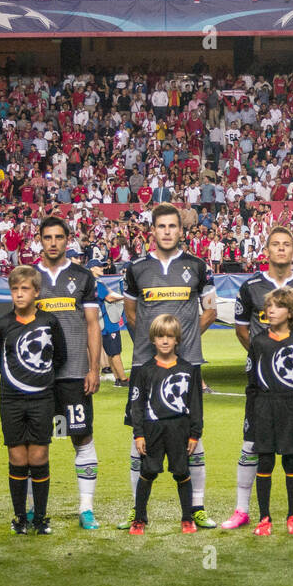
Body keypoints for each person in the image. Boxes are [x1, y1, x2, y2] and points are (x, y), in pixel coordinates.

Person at [122, 204, 218, 528]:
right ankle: (137, 511)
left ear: (181, 230)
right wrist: (150, 346)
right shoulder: (136, 268)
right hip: (144, 365)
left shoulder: (198, 266)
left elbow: (210, 311)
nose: (166, 231)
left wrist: (183, 342)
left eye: (172, 226)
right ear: (153, 230)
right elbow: (131, 315)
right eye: (161, 226)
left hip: (187, 363)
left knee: (193, 434)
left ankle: (198, 507)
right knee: (139, 436)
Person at [224, 226, 293, 529]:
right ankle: (243, 509)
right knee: (252, 445)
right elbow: (242, 329)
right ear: (266, 250)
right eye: (275, 244)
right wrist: (265, 354)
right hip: (263, 387)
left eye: (287, 245)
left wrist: (291, 354)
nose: (281, 249)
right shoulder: (251, 286)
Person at [33, 217, 103, 530]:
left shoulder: (82, 276)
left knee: (81, 436)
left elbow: (92, 324)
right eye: (47, 237)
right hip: (38, 376)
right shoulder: (29, 277)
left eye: (58, 237)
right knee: (38, 442)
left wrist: (94, 367)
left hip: (75, 372)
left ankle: (86, 509)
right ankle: (36, 508)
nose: (53, 242)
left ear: (67, 239)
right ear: (39, 240)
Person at [0, 266, 68, 535]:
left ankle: (41, 517)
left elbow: (60, 357)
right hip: (10, 399)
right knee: (17, 457)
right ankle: (20, 517)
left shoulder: (49, 322)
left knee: (39, 455)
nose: (19, 294)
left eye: (25, 289)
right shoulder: (2, 325)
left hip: (42, 399)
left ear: (36, 292)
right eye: (15, 289)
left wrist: (38, 379)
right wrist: (18, 380)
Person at [244, 287, 293, 535]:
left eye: (278, 306)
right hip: (264, 407)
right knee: (264, 462)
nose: (271, 310)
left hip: (290, 407)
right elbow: (251, 385)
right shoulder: (259, 341)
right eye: (269, 306)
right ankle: (265, 519)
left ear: (291, 312)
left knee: (291, 461)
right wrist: (250, 419)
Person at [129, 314, 203, 534]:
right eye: (160, 336)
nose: (164, 341)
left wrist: (194, 434)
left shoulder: (189, 370)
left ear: (177, 340)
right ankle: (139, 518)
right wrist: (139, 434)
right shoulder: (145, 370)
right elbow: (137, 405)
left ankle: (187, 518)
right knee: (149, 471)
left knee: (181, 472)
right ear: (153, 339)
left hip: (179, 428)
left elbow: (196, 404)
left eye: (169, 336)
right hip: (152, 429)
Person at [89, 261, 127, 385]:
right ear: (92, 269)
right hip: (108, 321)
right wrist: (125, 297)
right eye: (99, 266)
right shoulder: (96, 283)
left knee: (110, 352)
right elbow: (110, 297)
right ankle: (123, 379)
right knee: (115, 352)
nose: (102, 268)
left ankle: (117, 379)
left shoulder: (92, 283)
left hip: (102, 322)